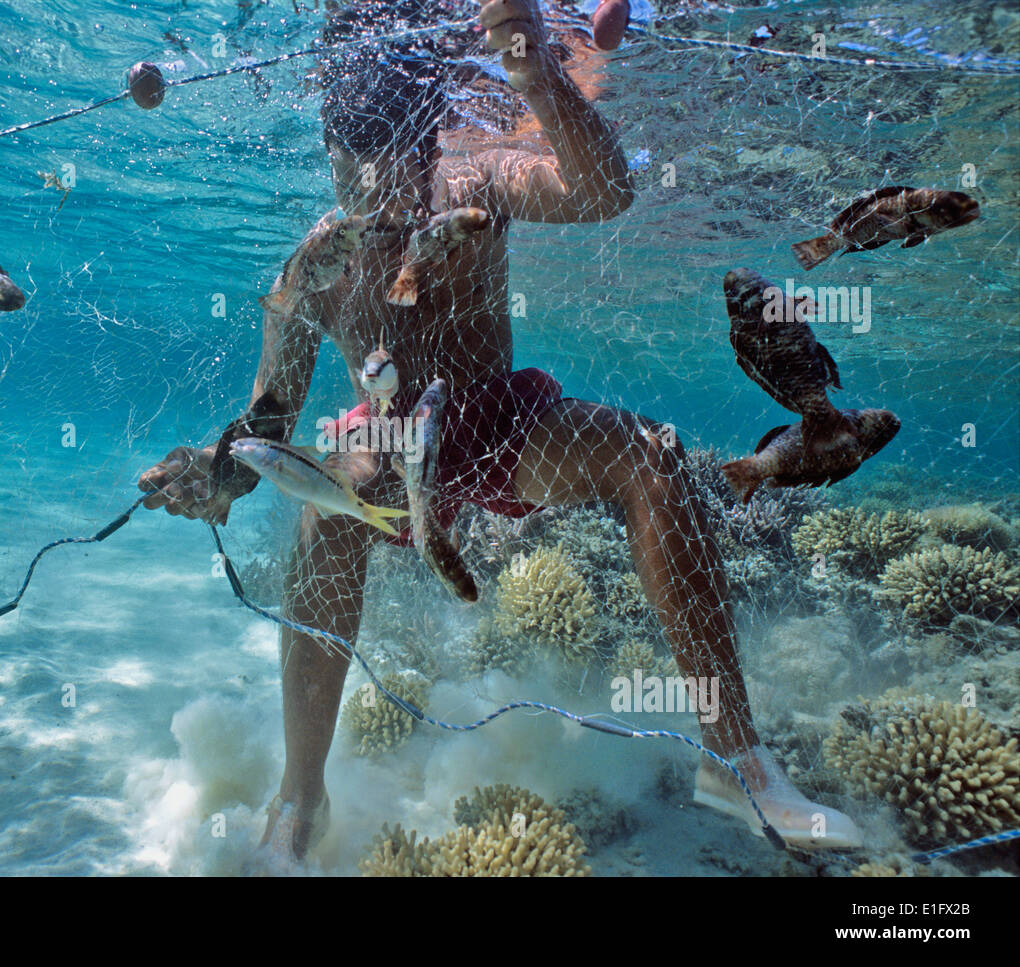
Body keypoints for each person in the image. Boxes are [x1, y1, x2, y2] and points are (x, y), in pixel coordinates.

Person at [137, 0, 862, 868]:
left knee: (654, 458)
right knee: (322, 510)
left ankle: (738, 761)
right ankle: (301, 793)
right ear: (331, 158)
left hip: (499, 420)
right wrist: (213, 472)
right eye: (355, 183)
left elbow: (605, 192)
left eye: (400, 179)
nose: (384, 208)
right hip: (386, 448)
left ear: (427, 145)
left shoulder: (475, 188)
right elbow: (267, 431)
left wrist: (540, 78)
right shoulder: (309, 272)